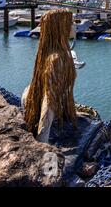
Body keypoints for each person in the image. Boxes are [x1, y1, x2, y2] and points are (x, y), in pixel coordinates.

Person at [22, 9, 78, 143]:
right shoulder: (57, 59)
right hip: (38, 104)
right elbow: (49, 103)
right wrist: (43, 142)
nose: (75, 25)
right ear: (60, 27)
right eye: (71, 22)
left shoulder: (51, 53)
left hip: (30, 97)